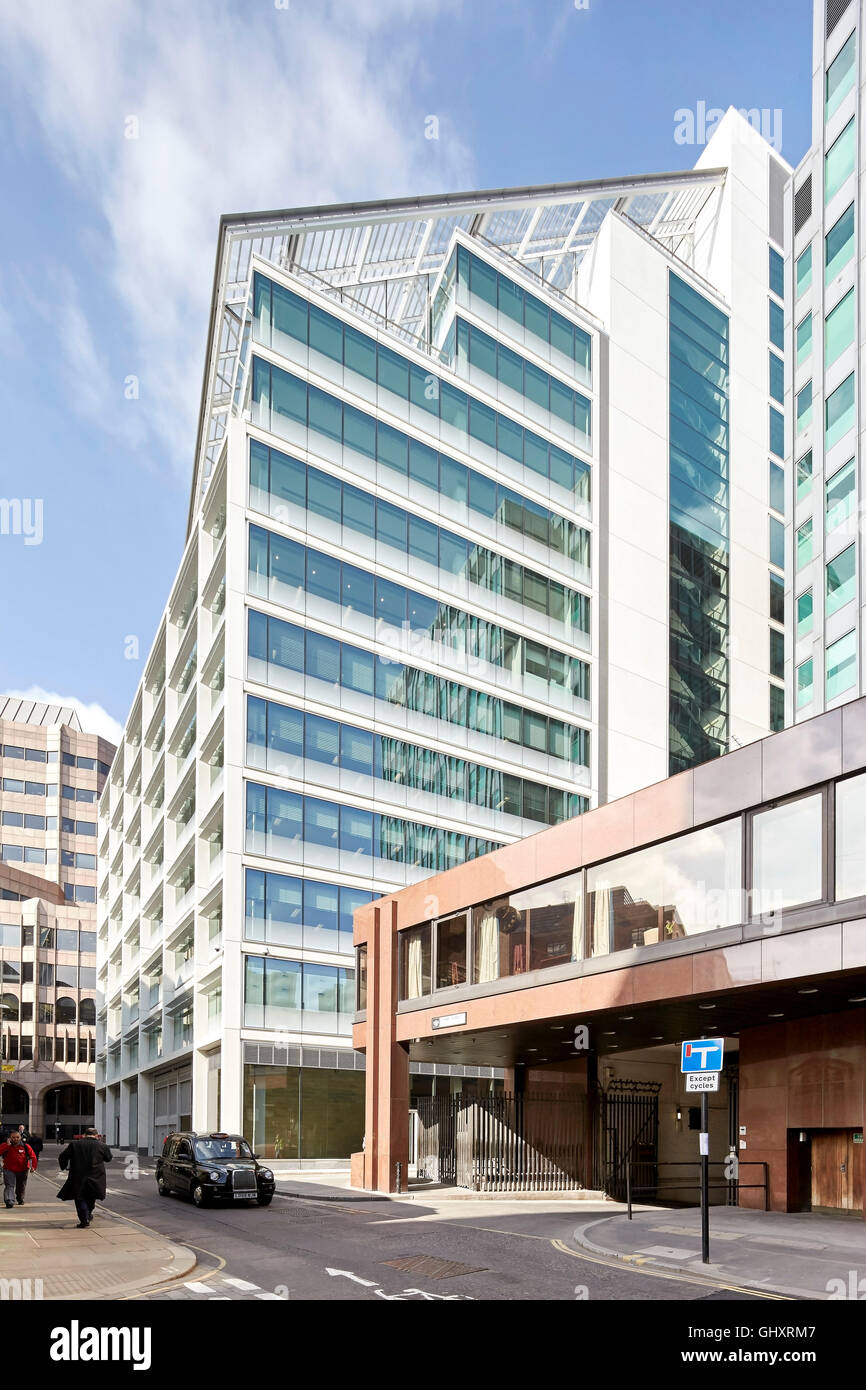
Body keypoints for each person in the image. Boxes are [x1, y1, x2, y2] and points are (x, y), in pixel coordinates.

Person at [57, 1127, 113, 1228]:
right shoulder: (102, 1145)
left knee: (79, 1197)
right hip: (96, 1175)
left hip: (78, 1175)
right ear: (96, 1136)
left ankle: (84, 1219)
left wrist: (64, 1167)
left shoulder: (75, 1144)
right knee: (91, 1197)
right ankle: (87, 1213)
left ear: (84, 1134)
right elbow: (108, 1158)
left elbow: (62, 1156)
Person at [0, 1132, 38, 1207]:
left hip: (23, 1170)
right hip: (9, 1169)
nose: (15, 1139)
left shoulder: (26, 1146)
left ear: (20, 1137)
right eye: (13, 1137)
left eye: (17, 1137)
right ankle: (9, 1201)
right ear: (10, 1138)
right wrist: (7, 1146)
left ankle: (20, 1198)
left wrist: (33, 1167)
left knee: (20, 1186)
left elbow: (33, 1157)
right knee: (9, 1185)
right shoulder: (5, 1145)